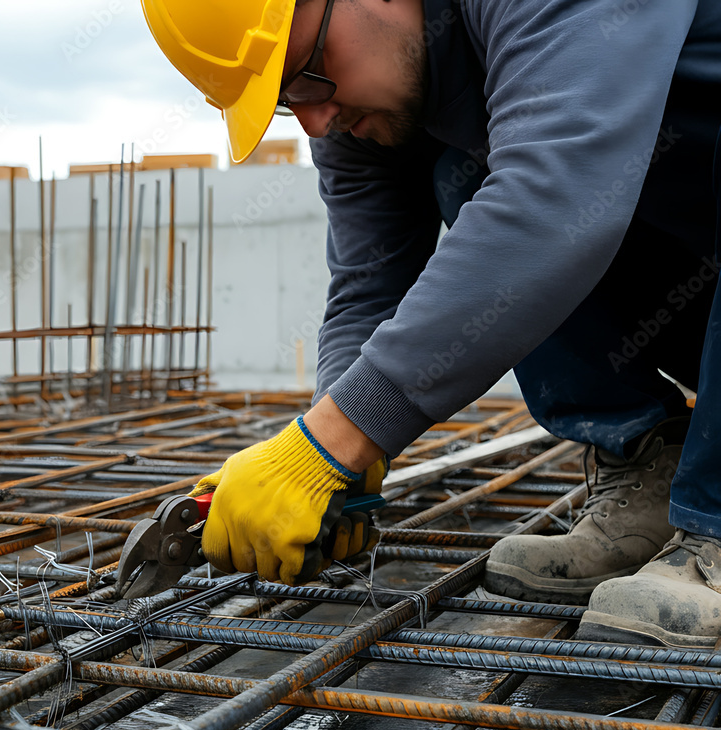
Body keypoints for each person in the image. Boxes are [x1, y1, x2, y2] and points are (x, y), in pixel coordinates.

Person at [141, 0, 721, 649]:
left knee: (534, 196)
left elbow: (553, 193)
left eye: (306, 72)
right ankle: (645, 462)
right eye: (281, 100)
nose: (313, 118)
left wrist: (335, 439)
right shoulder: (356, 109)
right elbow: (370, 285)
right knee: (465, 178)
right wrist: (336, 460)